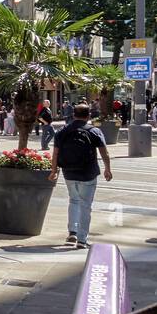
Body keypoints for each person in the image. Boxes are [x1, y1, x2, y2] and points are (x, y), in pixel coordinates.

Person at [48, 103, 112, 249]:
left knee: (74, 201)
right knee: (85, 205)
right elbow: (104, 152)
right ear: (88, 115)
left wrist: (54, 170)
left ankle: (72, 233)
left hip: (69, 172)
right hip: (88, 172)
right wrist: (107, 169)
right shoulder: (94, 131)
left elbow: (56, 153)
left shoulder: (62, 131)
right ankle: (82, 240)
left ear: (73, 115)